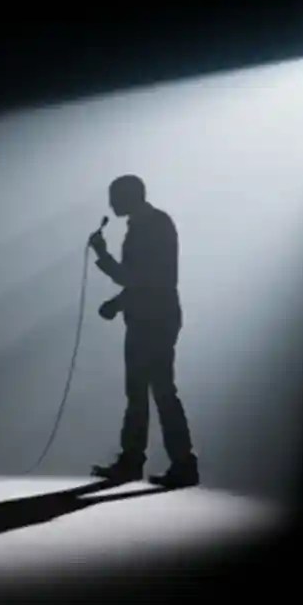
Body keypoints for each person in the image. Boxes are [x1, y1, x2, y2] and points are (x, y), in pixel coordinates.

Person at [88, 175, 199, 487]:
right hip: (151, 317)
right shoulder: (148, 224)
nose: (111, 203)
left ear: (129, 196)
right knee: (142, 391)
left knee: (158, 390)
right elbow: (146, 280)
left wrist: (103, 256)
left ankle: (178, 463)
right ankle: (141, 461)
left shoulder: (152, 226)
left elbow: (138, 278)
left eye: (115, 197)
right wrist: (118, 303)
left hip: (154, 319)